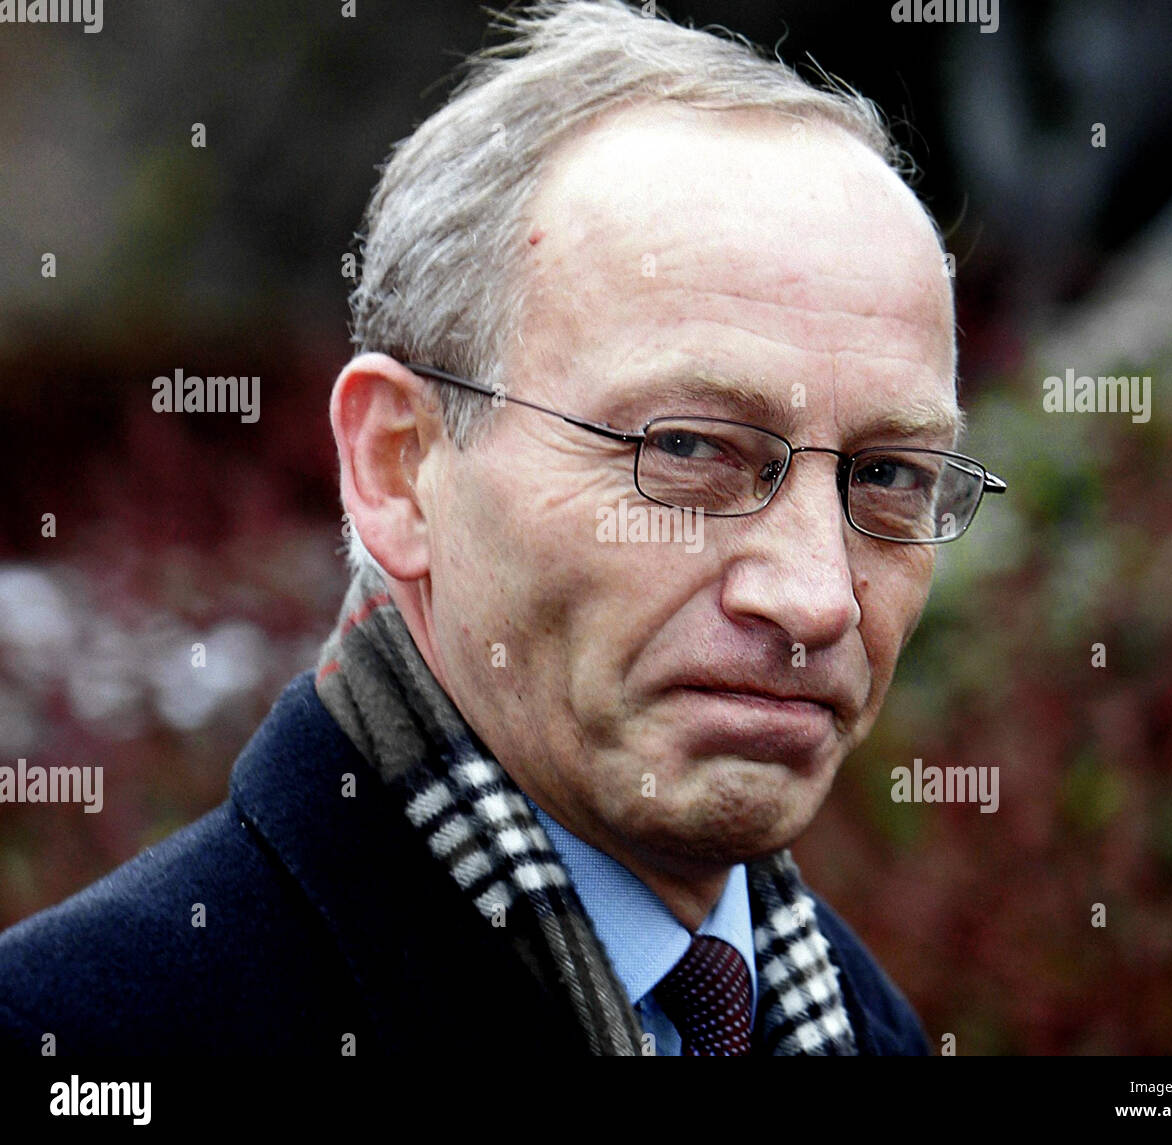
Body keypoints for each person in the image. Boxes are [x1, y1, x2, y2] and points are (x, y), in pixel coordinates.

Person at [0, 0, 1004, 1056]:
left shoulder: (856, 1021)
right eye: (689, 449)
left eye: (890, 474)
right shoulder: (83, 1035)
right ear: (399, 466)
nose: (814, 595)